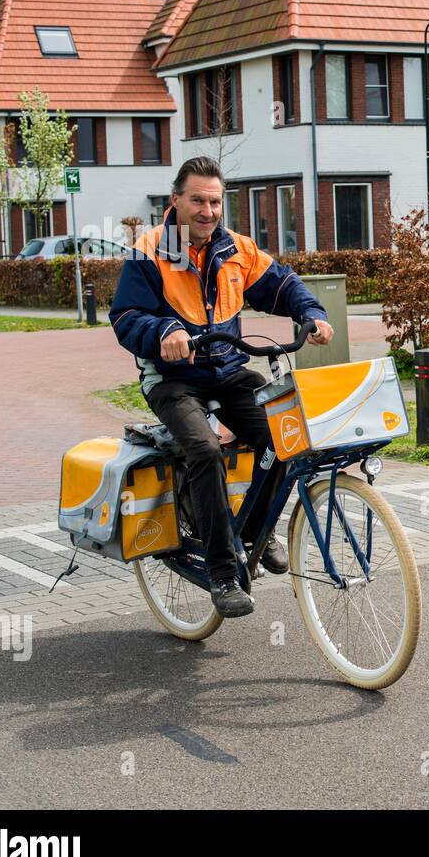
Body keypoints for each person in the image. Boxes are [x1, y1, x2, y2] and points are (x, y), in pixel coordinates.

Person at [109, 156, 335, 618]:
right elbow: (126, 318)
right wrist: (164, 333)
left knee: (284, 436)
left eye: (215, 201)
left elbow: (282, 284)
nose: (207, 210)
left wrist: (312, 314)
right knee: (206, 450)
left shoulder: (237, 250)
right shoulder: (148, 251)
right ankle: (222, 571)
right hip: (172, 380)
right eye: (197, 200)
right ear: (177, 200)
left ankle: (252, 532)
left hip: (229, 369)